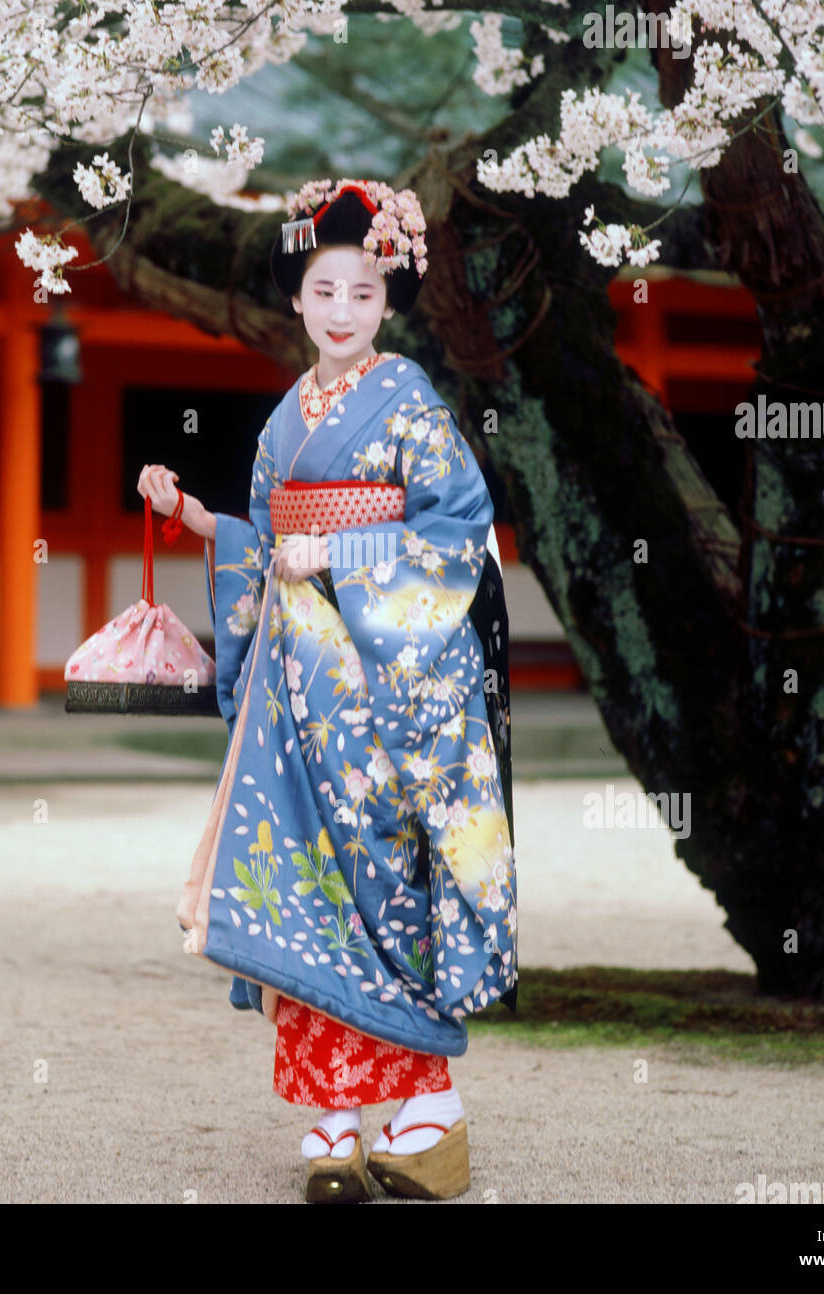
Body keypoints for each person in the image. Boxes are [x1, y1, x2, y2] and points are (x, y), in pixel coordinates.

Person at [137, 178, 516, 1203]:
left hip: (383, 698)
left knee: (387, 886)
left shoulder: (411, 407)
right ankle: (336, 1121)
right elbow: (270, 544)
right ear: (298, 301)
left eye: (361, 290)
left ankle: (429, 1119)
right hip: (293, 699)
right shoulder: (281, 421)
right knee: (300, 882)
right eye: (323, 289)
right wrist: (204, 525)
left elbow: (456, 537)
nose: (342, 308)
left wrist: (339, 554)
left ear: (383, 303)